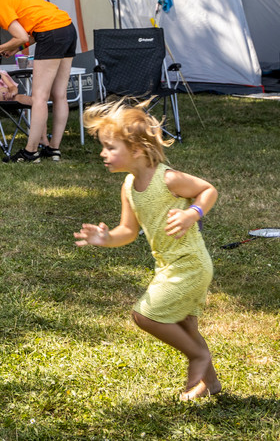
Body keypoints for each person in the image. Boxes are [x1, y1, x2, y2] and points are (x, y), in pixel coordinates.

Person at [75, 100, 220, 400]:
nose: (103, 153)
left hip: (190, 264)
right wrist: (105, 238)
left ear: (137, 150)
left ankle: (197, 358)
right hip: (169, 265)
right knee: (184, 324)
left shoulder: (167, 179)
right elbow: (127, 231)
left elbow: (208, 190)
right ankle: (211, 384)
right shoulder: (129, 186)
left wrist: (192, 213)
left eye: (110, 147)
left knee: (146, 316)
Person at [0, 0, 76, 162]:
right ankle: (53, 149)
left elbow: (24, 34)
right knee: (59, 95)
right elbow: (32, 32)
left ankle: (31, 152)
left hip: (51, 33)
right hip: (67, 29)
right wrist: (16, 48)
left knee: (39, 97)